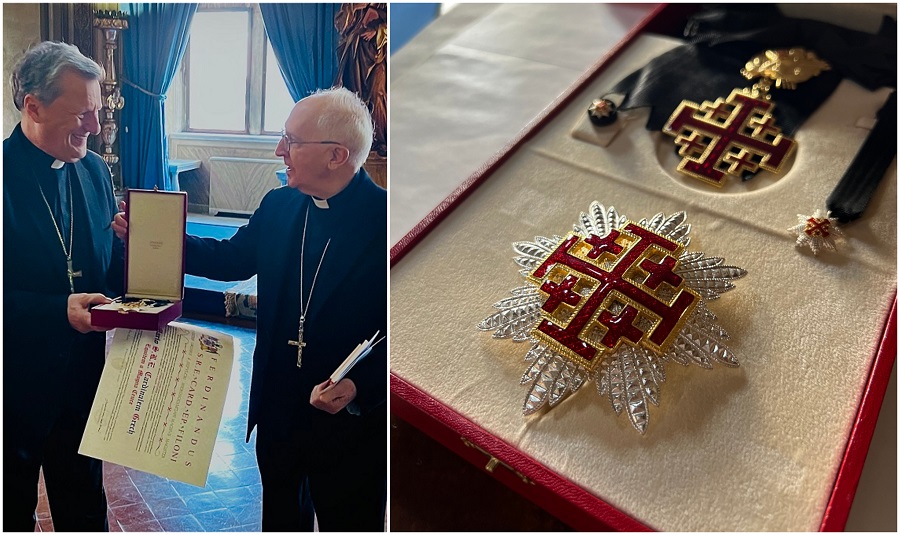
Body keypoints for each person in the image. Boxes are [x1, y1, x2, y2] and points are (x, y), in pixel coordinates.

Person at [115, 87, 387, 531]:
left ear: (336, 155)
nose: (280, 150)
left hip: (350, 421)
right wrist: (152, 238)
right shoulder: (280, 204)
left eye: (292, 141)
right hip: (278, 409)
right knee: (280, 520)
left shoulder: (389, 221)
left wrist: (361, 386)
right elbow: (231, 259)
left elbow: (407, 335)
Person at [4, 41, 123, 531]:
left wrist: (145, 259)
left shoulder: (93, 170)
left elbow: (107, 270)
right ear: (33, 106)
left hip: (83, 385)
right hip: (12, 389)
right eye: (82, 113)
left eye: (97, 111)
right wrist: (58, 311)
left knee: (86, 510)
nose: (95, 126)